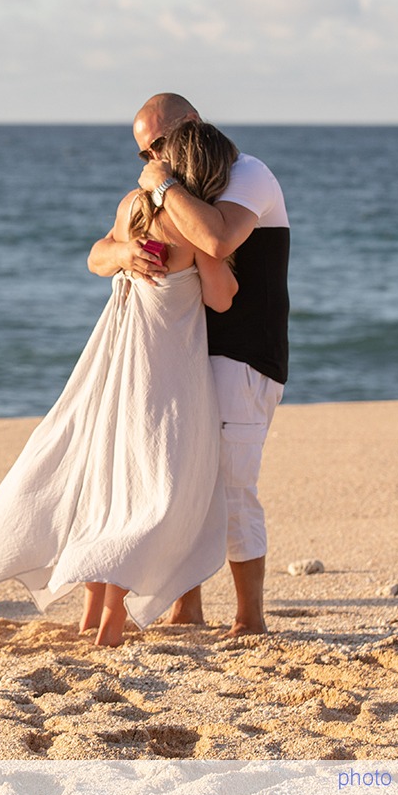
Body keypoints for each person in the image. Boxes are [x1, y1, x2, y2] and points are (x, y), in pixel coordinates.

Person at [0, 120, 241, 646]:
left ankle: (93, 610)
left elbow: (98, 253)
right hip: (167, 369)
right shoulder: (193, 231)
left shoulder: (135, 206)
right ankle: (110, 615)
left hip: (118, 362)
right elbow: (221, 298)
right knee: (157, 488)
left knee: (110, 475)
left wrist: (126, 254)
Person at [88, 93, 290, 637]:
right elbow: (101, 251)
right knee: (182, 473)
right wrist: (124, 255)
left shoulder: (249, 175)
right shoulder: (166, 192)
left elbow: (217, 238)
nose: (152, 157)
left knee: (228, 481)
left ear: (192, 126)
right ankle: (187, 606)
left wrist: (162, 186)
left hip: (243, 350)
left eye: (157, 144)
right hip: (187, 353)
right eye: (144, 153)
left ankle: (250, 618)